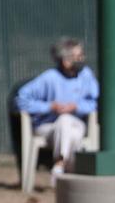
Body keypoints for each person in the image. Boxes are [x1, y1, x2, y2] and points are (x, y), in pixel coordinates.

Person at [15, 37, 99, 183]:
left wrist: (76, 106)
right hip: (47, 128)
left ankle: (60, 165)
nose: (82, 59)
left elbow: (95, 101)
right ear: (65, 60)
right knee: (64, 121)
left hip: (77, 125)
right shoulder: (49, 78)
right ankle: (70, 172)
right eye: (78, 56)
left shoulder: (86, 75)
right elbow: (21, 99)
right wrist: (49, 107)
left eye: (82, 55)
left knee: (67, 122)